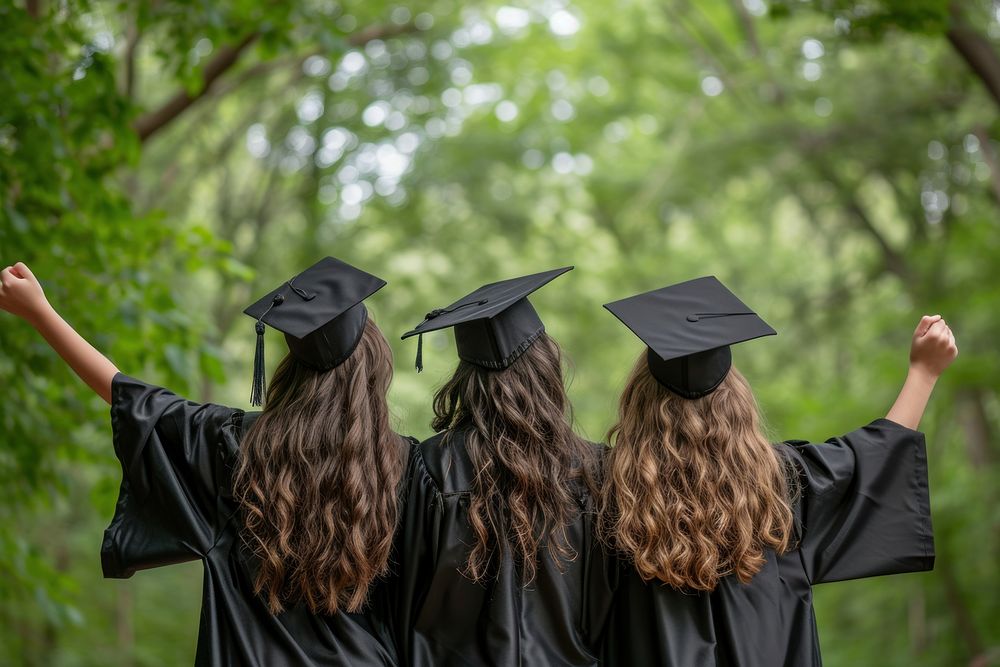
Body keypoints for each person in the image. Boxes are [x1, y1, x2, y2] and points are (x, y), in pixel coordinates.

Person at [0, 257, 411, 666]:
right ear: (373, 369)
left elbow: (133, 399)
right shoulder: (406, 467)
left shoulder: (236, 447)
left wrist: (40, 312)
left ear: (291, 368)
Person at [598, 275, 954, 667]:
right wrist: (923, 373)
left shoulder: (604, 494)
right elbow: (873, 459)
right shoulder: (781, 487)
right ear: (737, 401)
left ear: (637, 397)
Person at [394, 267, 613, 666]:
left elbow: (405, 603)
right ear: (547, 366)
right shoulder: (597, 470)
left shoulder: (425, 467)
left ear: (465, 377)